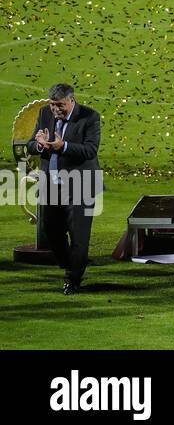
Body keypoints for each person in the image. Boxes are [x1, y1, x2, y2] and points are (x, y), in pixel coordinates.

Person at [26, 83, 101, 295]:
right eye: (52, 105)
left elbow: (90, 150)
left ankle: (73, 279)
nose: (55, 110)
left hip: (81, 184)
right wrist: (39, 145)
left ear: (71, 101)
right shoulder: (44, 114)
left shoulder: (90, 117)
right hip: (51, 184)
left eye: (60, 105)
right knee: (50, 229)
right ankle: (72, 265)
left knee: (78, 235)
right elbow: (31, 144)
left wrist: (63, 146)